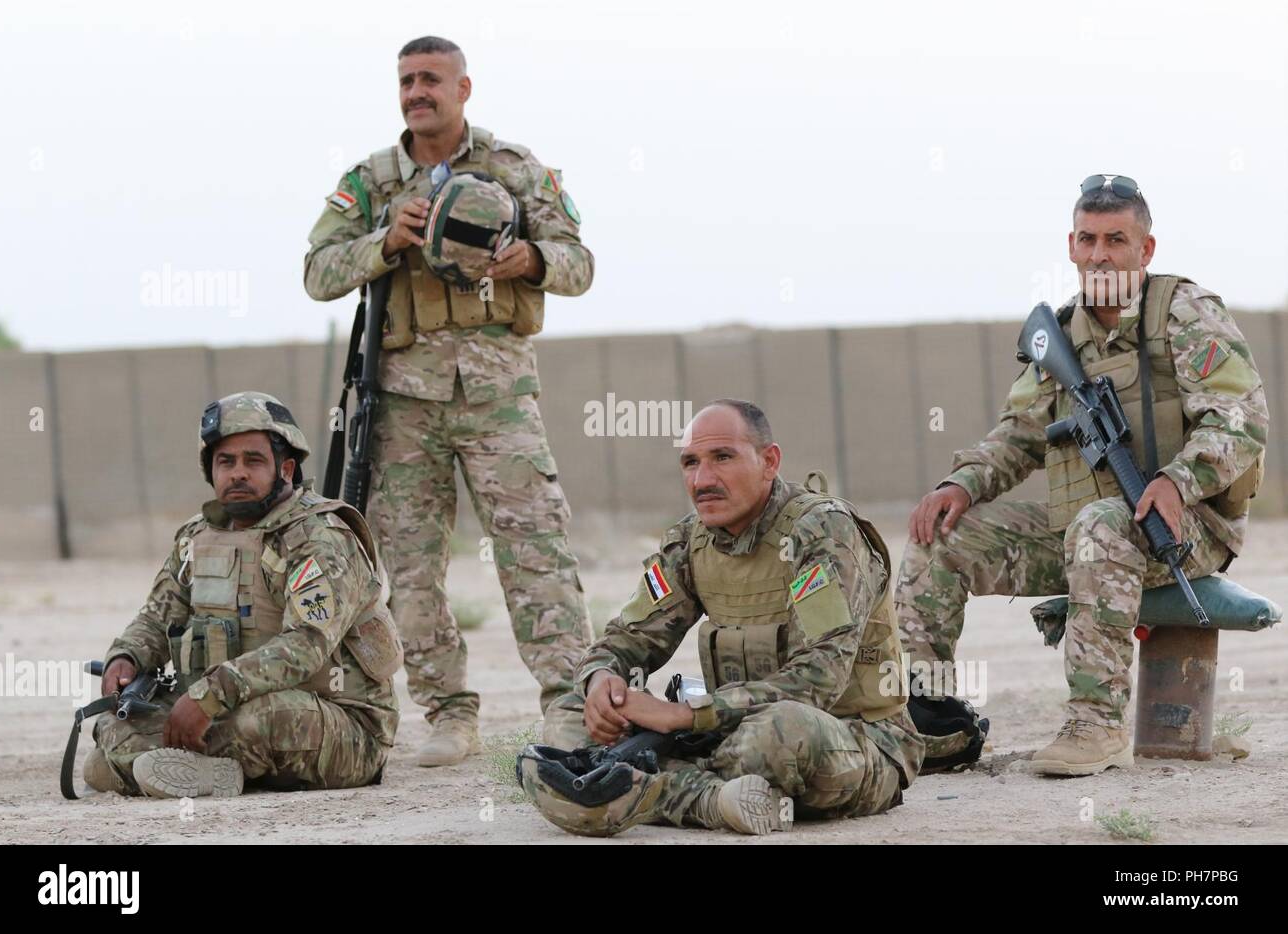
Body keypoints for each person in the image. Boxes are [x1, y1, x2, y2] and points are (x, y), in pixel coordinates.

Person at [895, 175, 1268, 776]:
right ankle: (928, 719)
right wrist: (960, 483)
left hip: (1187, 528)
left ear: (1145, 250)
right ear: (1071, 245)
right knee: (943, 537)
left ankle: (1096, 725)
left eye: (1116, 240)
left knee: (1100, 525)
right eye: (1088, 240)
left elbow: (1241, 421)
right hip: (1086, 528)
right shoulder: (1059, 335)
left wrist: (1176, 479)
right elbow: (1018, 433)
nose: (1100, 255)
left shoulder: (1183, 312)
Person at [303, 35, 593, 766]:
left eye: (431, 79)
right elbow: (317, 271)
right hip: (403, 404)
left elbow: (580, 262)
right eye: (406, 81)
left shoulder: (514, 169)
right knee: (410, 565)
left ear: (465, 88)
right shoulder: (371, 180)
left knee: (536, 551)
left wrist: (534, 258)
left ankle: (568, 704)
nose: (416, 92)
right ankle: (448, 713)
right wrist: (381, 241)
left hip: (499, 399)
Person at [520, 400, 924, 836]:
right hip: (725, 729)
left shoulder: (822, 532)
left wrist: (684, 717)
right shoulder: (690, 541)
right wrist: (602, 681)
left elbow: (819, 679)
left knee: (779, 732)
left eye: (722, 458)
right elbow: (628, 637)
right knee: (568, 711)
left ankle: (638, 788)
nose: (702, 480)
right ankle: (716, 800)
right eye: (690, 463)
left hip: (853, 740)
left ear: (769, 461)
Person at [81, 392, 402, 798]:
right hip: (224, 704)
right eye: (225, 462)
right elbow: (158, 616)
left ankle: (144, 768)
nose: (238, 474)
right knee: (118, 720)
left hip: (344, 724)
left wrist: (212, 694)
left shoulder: (320, 538)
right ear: (210, 471)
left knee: (255, 721)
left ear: (285, 469)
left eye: (253, 461)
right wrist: (126, 657)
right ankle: (186, 769)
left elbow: (305, 646)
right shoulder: (196, 537)